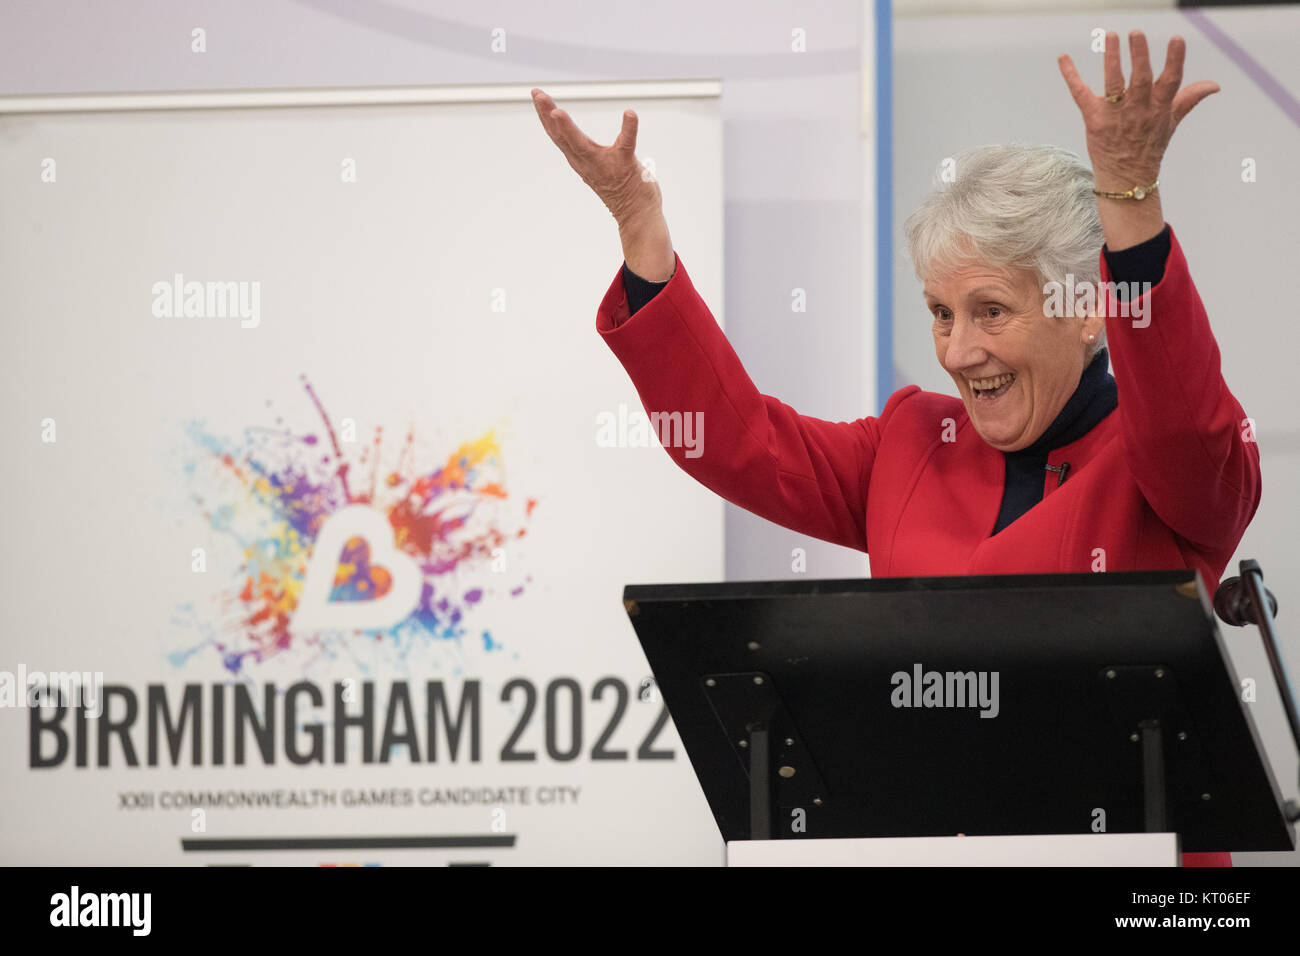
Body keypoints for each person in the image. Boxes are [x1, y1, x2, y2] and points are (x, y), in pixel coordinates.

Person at [531, 31, 1256, 867]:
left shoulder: (1172, 468)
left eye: (990, 311)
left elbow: (1182, 418)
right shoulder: (914, 442)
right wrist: (640, 230)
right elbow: (733, 442)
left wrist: (1129, 202)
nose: (956, 351)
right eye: (940, 313)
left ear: (1089, 308)